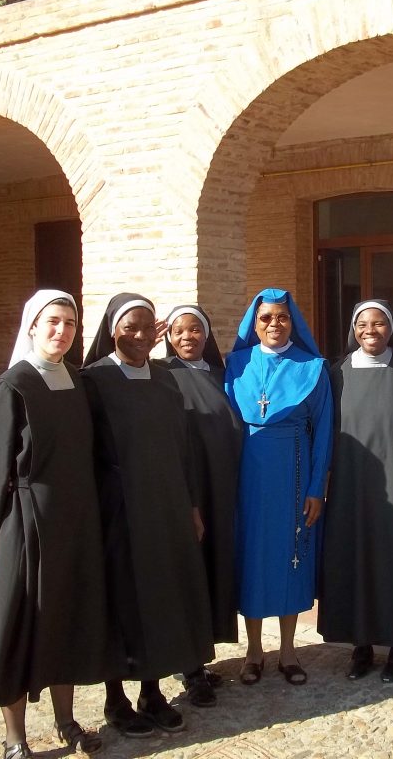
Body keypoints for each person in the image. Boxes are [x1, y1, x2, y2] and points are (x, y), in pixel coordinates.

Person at [0, 290, 105, 759]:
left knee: (65, 620)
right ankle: (15, 738)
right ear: (33, 326)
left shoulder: (77, 382)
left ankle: (67, 721)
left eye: (69, 323)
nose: (62, 331)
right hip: (24, 523)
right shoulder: (13, 385)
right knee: (17, 624)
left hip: (74, 522)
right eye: (53, 322)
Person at [81, 293, 215, 736]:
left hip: (167, 507)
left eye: (146, 327)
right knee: (122, 601)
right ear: (112, 330)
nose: (139, 336)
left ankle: (152, 692)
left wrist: (192, 506)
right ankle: (115, 700)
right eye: (129, 327)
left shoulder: (164, 379)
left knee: (160, 597)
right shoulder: (93, 380)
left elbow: (183, 447)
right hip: (118, 511)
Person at [318, 300, 393, 683]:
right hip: (351, 486)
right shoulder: (335, 373)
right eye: (362, 324)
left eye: (379, 324)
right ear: (353, 329)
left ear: (391, 329)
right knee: (356, 559)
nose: (370, 331)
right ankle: (361, 645)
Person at [225, 288, 332, 686]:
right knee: (254, 556)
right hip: (248, 474)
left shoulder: (312, 367)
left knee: (292, 555)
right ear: (254, 324)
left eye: (282, 317)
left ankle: (287, 650)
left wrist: (317, 487)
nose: (274, 324)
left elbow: (323, 432)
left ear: (293, 321)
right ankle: (254, 649)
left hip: (295, 470)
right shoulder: (235, 364)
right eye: (266, 318)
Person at [163, 304, 244, 706]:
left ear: (207, 336)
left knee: (213, 572)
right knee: (188, 576)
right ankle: (190, 669)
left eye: (195, 330)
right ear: (168, 336)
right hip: (188, 493)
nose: (188, 337)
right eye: (179, 331)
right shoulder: (162, 377)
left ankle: (201, 658)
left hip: (222, 491)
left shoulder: (221, 375)